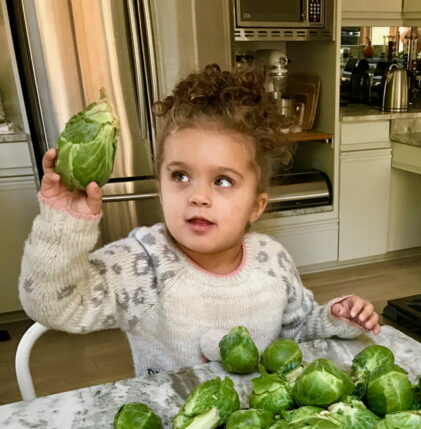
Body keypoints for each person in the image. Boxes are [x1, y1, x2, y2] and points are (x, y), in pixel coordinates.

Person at [19, 64, 380, 377]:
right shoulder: (143, 264)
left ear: (256, 206)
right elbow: (54, 306)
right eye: (180, 176)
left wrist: (336, 317)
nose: (198, 196)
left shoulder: (272, 262)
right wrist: (63, 224)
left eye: (223, 181)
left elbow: (298, 331)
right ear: (160, 187)